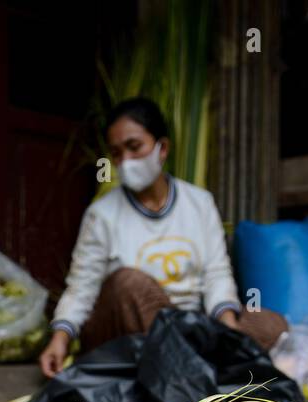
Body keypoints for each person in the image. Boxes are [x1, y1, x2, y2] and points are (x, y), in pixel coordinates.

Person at [39, 97, 285, 377]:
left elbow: (216, 271)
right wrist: (59, 339)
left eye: (134, 147)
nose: (125, 161)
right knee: (128, 282)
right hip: (127, 332)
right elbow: (81, 287)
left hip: (189, 325)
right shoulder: (102, 214)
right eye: (117, 153)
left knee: (271, 325)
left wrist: (228, 327)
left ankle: (189, 364)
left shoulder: (199, 202)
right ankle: (196, 368)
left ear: (162, 148)